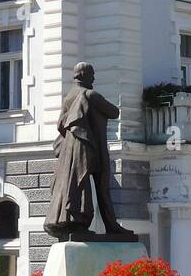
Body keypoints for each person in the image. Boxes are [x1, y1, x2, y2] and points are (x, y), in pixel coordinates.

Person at [45, 62, 137, 239]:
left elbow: (61, 124)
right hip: (90, 146)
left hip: (71, 148)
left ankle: (81, 222)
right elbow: (114, 112)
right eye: (92, 74)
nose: (94, 78)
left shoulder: (69, 97)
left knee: (75, 183)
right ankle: (110, 226)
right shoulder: (90, 94)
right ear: (84, 75)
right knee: (98, 185)